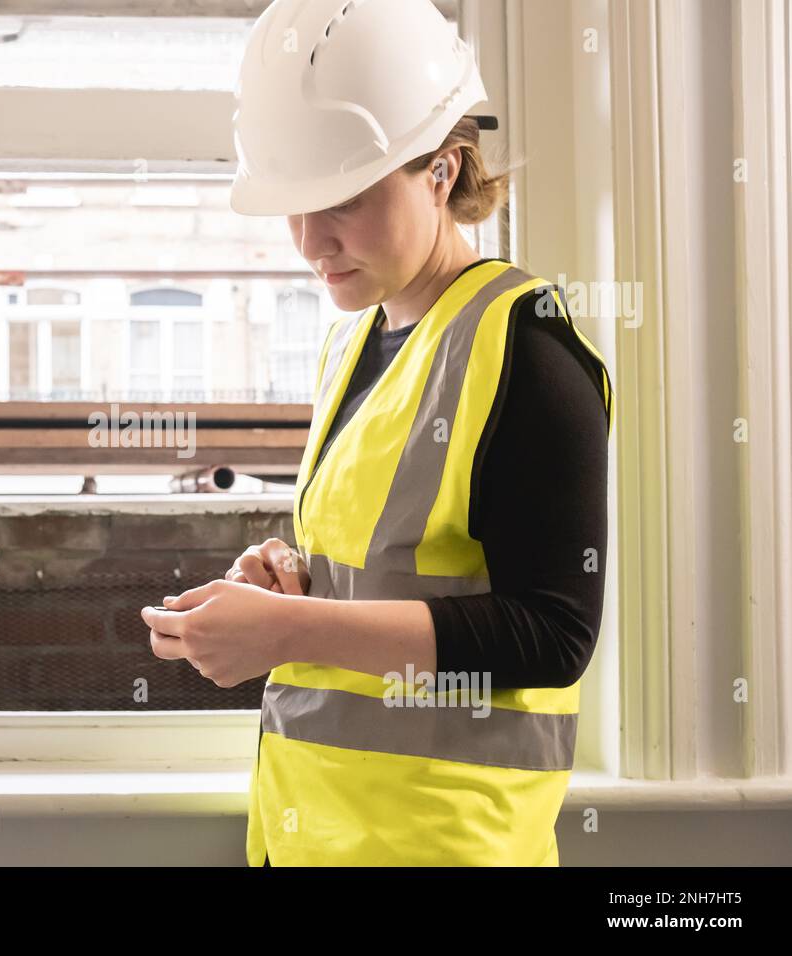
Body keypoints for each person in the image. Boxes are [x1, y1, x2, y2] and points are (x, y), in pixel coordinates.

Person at [140, 0, 614, 866]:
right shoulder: (355, 340)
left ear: (443, 167)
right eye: (293, 204)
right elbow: (396, 571)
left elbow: (553, 638)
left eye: (346, 199)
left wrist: (287, 633)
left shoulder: (527, 349)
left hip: (447, 845)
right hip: (316, 834)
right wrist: (291, 586)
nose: (312, 241)